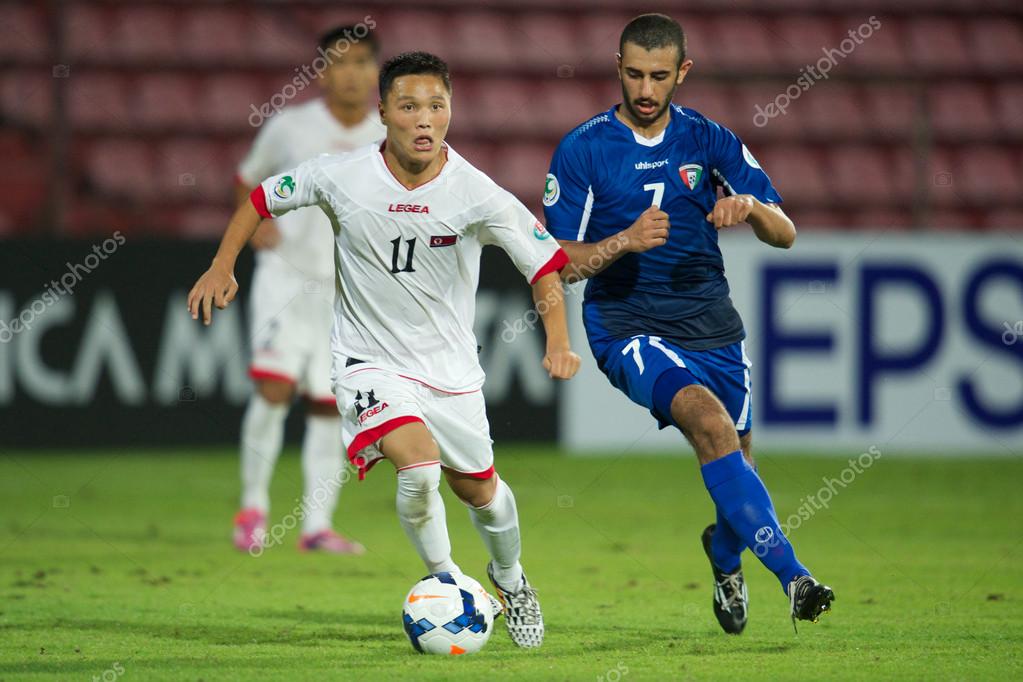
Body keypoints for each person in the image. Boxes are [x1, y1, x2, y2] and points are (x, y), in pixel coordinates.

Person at [188, 51, 581, 648]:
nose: (424, 119)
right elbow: (262, 198)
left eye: (436, 106)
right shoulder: (340, 174)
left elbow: (544, 265)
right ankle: (450, 584)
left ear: (451, 111)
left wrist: (559, 341)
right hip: (367, 362)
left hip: (450, 371)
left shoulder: (476, 191)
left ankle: (511, 578)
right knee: (417, 471)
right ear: (384, 113)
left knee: (482, 493)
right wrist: (222, 265)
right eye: (409, 106)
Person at [543, 13, 834, 633]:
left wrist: (750, 207)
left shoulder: (709, 140)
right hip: (625, 323)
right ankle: (796, 578)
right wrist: (622, 241)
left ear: (683, 71)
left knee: (736, 460)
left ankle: (725, 558)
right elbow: (558, 264)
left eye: (658, 76)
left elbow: (785, 233)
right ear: (617, 68)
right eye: (633, 74)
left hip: (710, 321)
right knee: (709, 422)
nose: (645, 89)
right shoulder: (583, 148)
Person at [232, 25, 384, 554]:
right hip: (286, 278)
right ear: (321, 71)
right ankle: (253, 507)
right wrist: (257, 224)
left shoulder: (384, 137)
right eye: (340, 62)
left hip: (345, 291)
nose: (351, 73)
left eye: (362, 62)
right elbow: (247, 179)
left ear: (375, 71)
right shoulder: (290, 127)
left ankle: (316, 525)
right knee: (274, 390)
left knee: (330, 405)